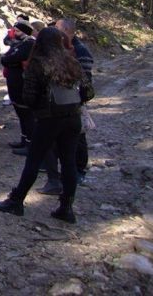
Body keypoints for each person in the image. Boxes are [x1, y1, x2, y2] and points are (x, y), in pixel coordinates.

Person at [0, 27, 85, 223]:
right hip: (73, 116)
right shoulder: (71, 61)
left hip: (49, 118)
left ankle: (16, 201)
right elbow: (88, 90)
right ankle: (66, 207)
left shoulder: (38, 63)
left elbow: (29, 96)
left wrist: (39, 109)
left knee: (34, 160)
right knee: (68, 162)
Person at [57, 18, 94, 185]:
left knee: (78, 137)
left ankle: (79, 170)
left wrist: (80, 99)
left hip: (75, 101)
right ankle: (67, 169)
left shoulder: (80, 50)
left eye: (57, 28)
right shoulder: (60, 49)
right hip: (60, 101)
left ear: (66, 30)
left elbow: (86, 79)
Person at [1, 21, 36, 153]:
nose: (15, 34)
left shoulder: (29, 44)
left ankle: (30, 144)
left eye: (18, 31)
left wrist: (9, 60)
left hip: (23, 84)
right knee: (21, 115)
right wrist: (9, 59)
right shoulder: (18, 43)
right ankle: (24, 139)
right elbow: (6, 57)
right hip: (14, 83)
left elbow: (14, 57)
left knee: (27, 115)